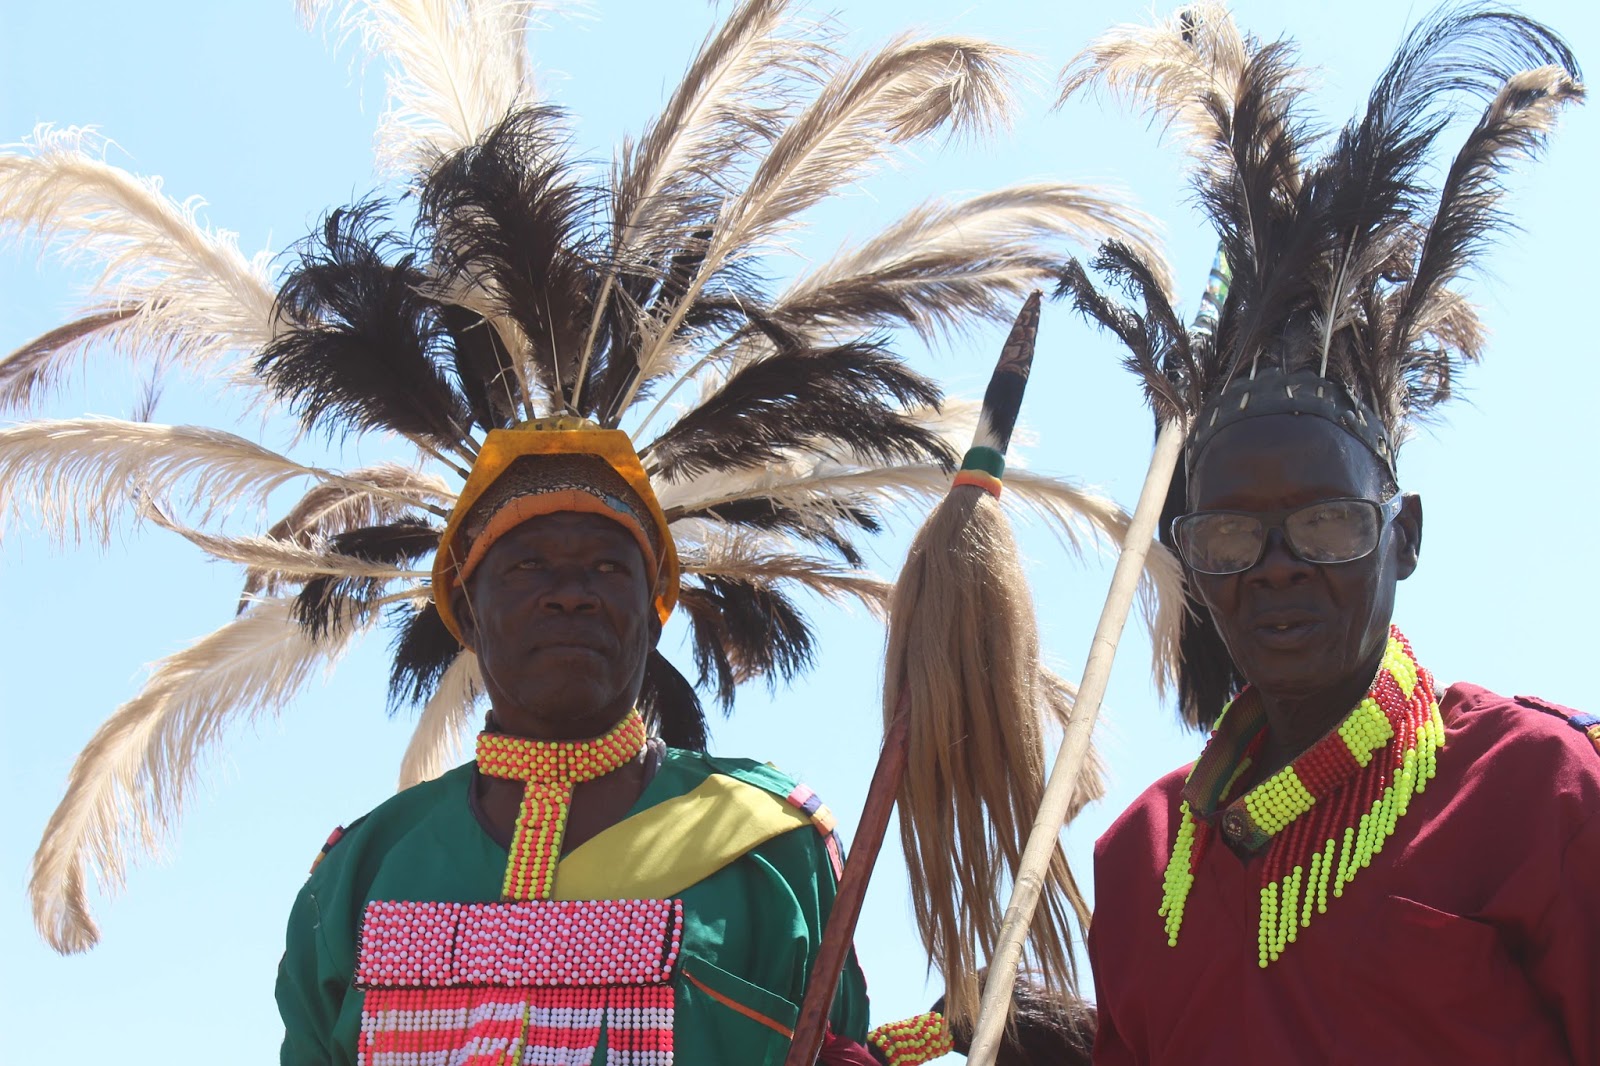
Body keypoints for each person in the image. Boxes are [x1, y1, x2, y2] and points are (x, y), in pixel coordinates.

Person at [1057, 5, 1597, 1062]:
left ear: (1405, 537)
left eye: (1326, 523)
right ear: (1191, 567)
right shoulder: (1138, 862)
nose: (1277, 568)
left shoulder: (1536, 786)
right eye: (1229, 538)